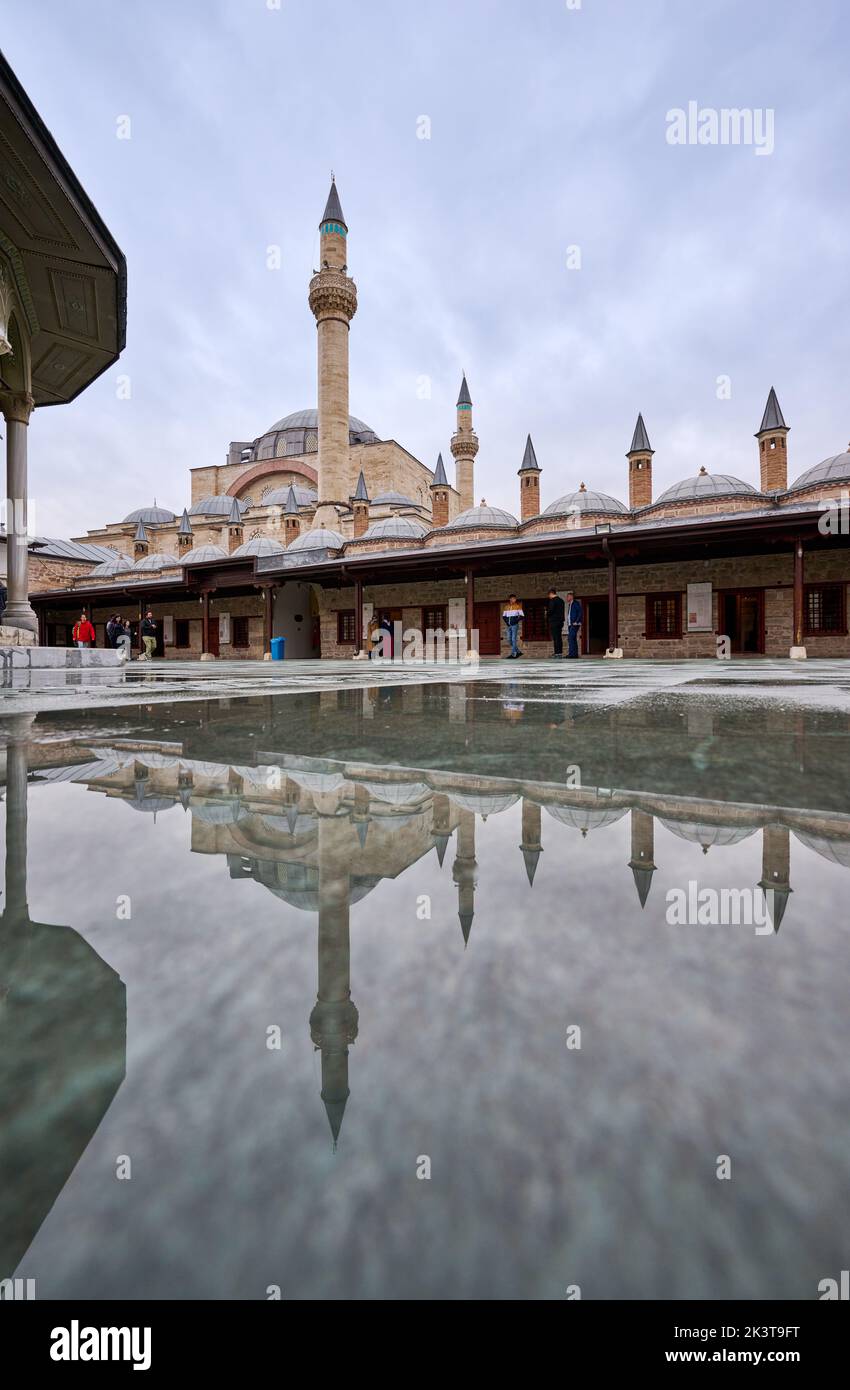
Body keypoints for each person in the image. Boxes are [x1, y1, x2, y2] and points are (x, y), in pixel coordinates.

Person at [547, 588, 565, 658]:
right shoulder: (561, 600)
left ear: (551, 593)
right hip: (560, 621)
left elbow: (551, 610)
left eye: (549, 595)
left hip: (554, 621)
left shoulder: (553, 601)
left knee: (555, 638)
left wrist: (546, 613)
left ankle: (557, 653)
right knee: (559, 637)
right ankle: (560, 653)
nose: (549, 597)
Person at [565, 590, 583, 659]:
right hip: (570, 624)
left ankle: (571, 654)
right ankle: (574, 654)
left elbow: (580, 612)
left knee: (570, 638)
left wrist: (577, 621)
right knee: (573, 638)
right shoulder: (570, 604)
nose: (567, 598)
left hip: (574, 624)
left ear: (571, 597)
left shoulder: (576, 603)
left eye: (568, 597)